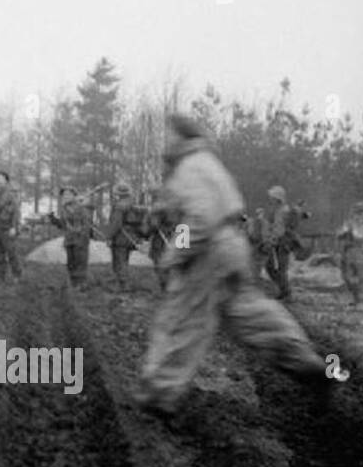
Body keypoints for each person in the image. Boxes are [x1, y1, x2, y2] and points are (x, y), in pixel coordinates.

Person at [135, 115, 343, 416]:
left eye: (169, 136)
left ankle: (159, 396)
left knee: (182, 319)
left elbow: (199, 220)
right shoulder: (208, 163)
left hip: (207, 251)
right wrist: (162, 210)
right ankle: (309, 365)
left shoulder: (189, 168)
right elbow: (198, 210)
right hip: (230, 243)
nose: (166, 143)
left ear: (181, 137)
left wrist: (175, 254)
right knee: (248, 314)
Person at [50, 186, 95, 289]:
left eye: (69, 194)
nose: (65, 196)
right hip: (69, 240)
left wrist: (82, 237)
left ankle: (81, 285)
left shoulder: (82, 207)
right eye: (64, 195)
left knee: (80, 263)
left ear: (75, 196)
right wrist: (54, 220)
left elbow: (86, 224)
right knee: (71, 264)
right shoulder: (64, 209)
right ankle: (73, 285)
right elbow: (63, 225)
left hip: (80, 240)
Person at [337, 201, 363, 307]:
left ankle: (362, 300)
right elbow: (339, 235)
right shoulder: (349, 223)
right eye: (361, 212)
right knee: (347, 276)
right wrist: (344, 232)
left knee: (362, 277)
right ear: (356, 213)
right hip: (349, 252)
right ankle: (356, 297)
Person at [262, 186, 298, 300]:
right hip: (280, 242)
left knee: (280, 268)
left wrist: (272, 240)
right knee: (271, 267)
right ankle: (283, 291)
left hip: (282, 243)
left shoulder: (283, 211)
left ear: (277, 198)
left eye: (272, 197)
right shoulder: (279, 210)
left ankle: (286, 293)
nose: (270, 199)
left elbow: (279, 229)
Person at [107, 182, 140, 290]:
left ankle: (123, 285)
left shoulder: (119, 206)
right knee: (124, 260)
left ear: (118, 193)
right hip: (131, 236)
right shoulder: (133, 203)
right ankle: (124, 283)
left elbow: (116, 223)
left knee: (119, 261)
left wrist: (109, 237)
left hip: (121, 237)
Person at [142, 188, 171, 292]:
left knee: (160, 263)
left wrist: (146, 232)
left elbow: (152, 227)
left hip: (162, 240)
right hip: (179, 236)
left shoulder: (156, 210)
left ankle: (165, 287)